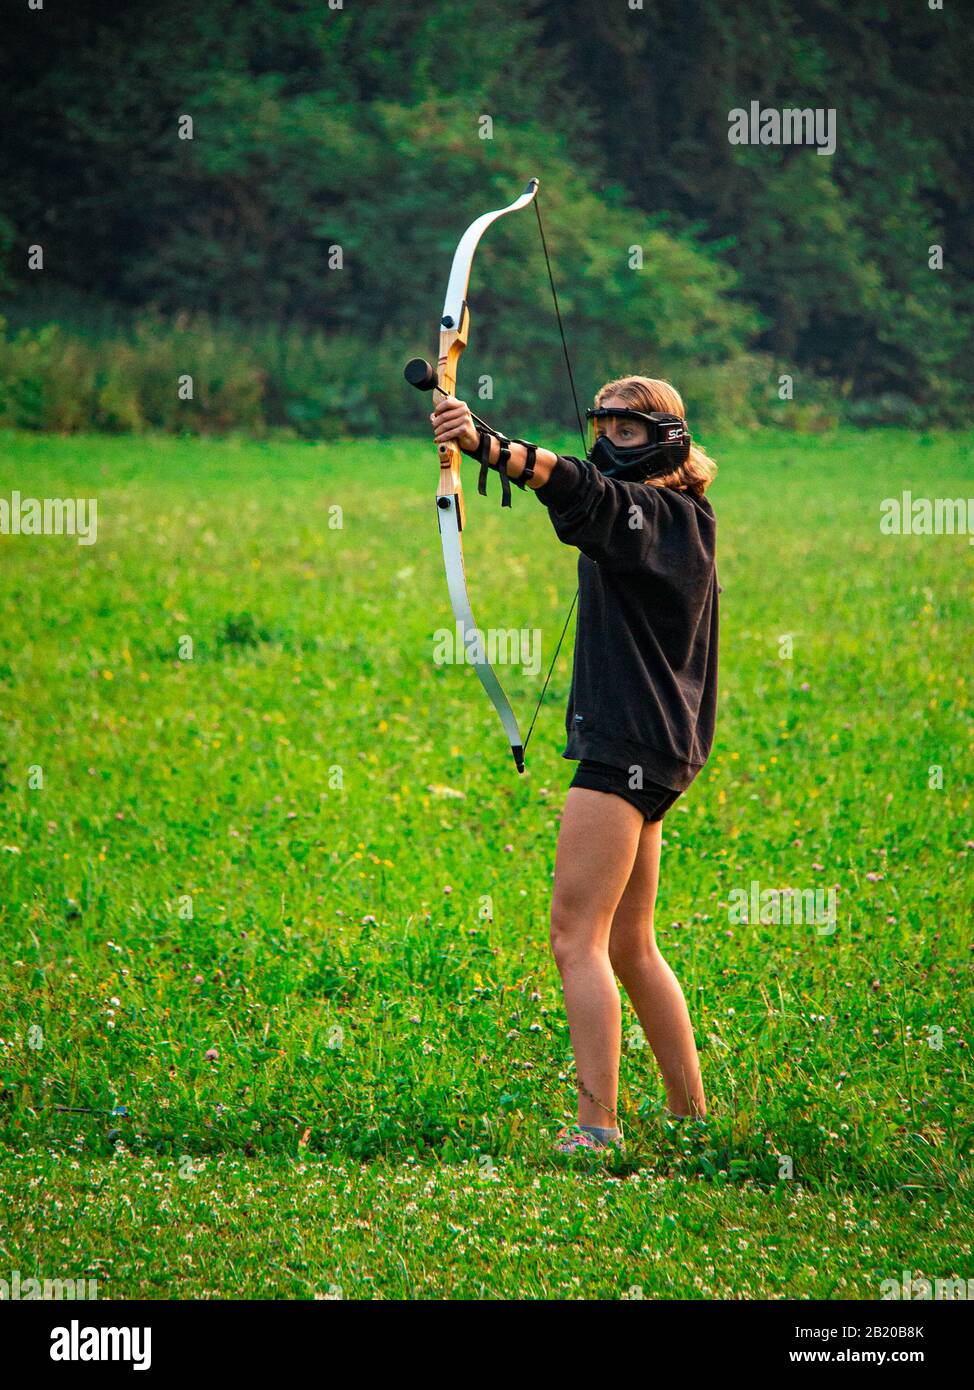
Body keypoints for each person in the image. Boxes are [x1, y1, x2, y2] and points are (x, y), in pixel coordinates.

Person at [430, 376, 719, 1156]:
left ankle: (598, 1130)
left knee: (573, 936)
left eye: (630, 431)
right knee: (629, 941)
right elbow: (584, 491)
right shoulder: (669, 518)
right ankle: (693, 1122)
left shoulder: (667, 519)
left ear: (667, 438)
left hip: (627, 747)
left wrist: (483, 444)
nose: (611, 441)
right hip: (654, 751)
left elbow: (578, 486)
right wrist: (484, 442)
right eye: (606, 426)